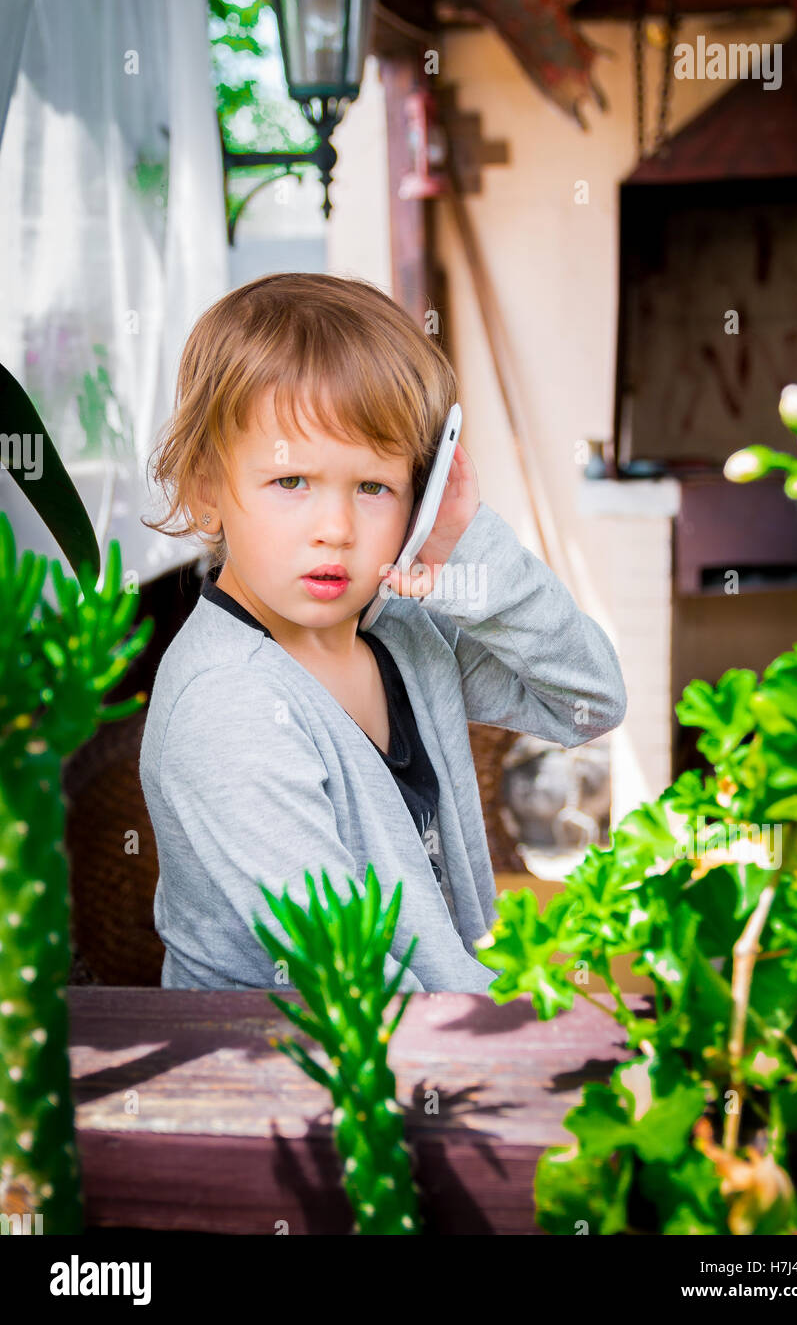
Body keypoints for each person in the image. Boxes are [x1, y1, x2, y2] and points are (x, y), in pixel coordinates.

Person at [139, 272, 627, 992]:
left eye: (373, 487)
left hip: (436, 1030)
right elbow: (359, 980)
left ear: (418, 501)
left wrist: (465, 545)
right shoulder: (229, 705)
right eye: (291, 482)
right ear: (207, 489)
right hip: (299, 1054)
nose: (335, 529)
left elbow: (589, 701)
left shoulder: (402, 635)